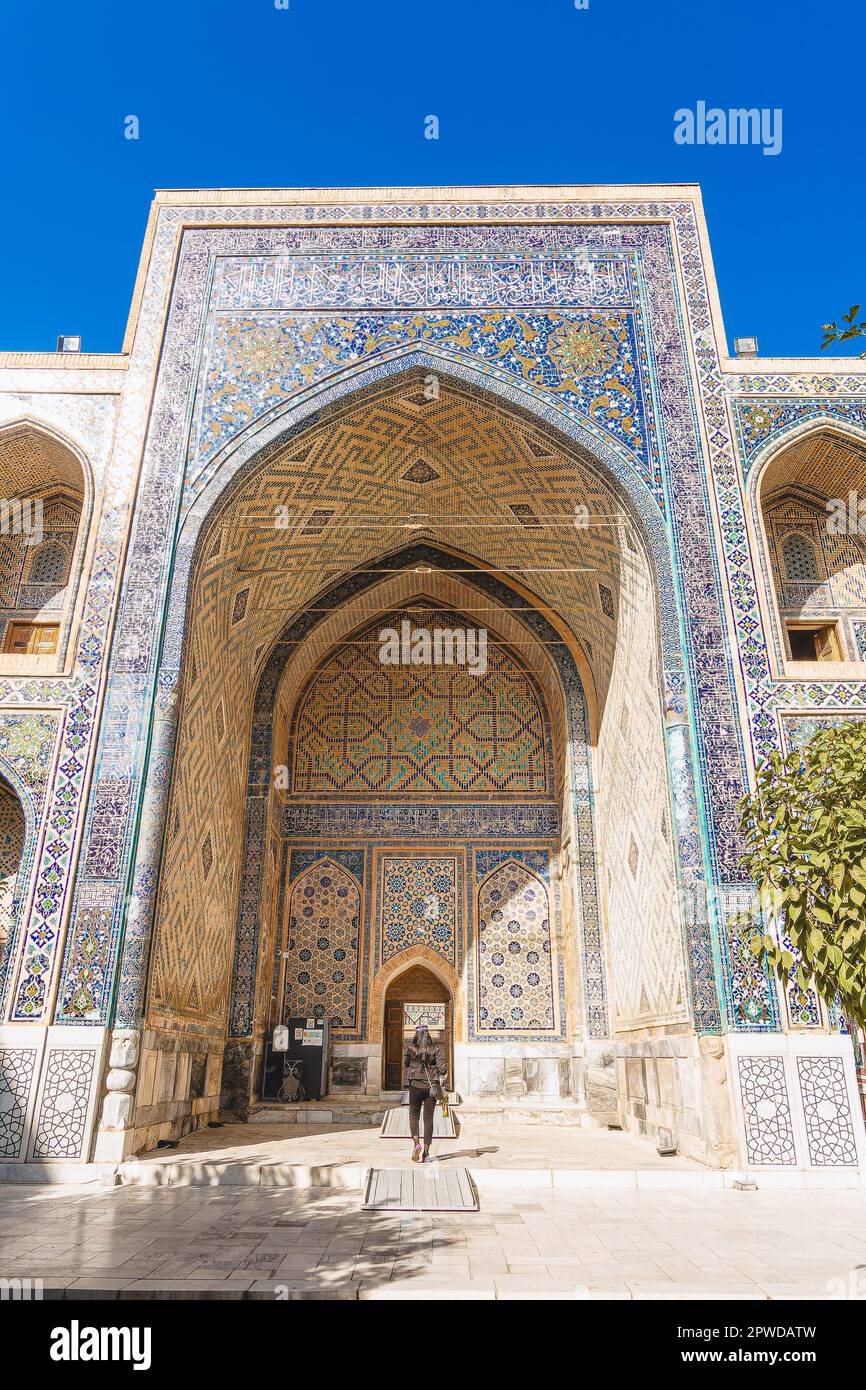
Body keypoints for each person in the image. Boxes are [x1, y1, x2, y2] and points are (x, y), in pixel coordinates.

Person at [404, 1025, 447, 1163]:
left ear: (416, 1036)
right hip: (431, 1087)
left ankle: (416, 1143)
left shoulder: (411, 1049)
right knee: (428, 1119)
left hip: (415, 1085)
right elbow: (443, 1069)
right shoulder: (436, 1049)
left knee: (414, 1115)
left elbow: (406, 1064)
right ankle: (426, 1154)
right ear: (429, 1036)